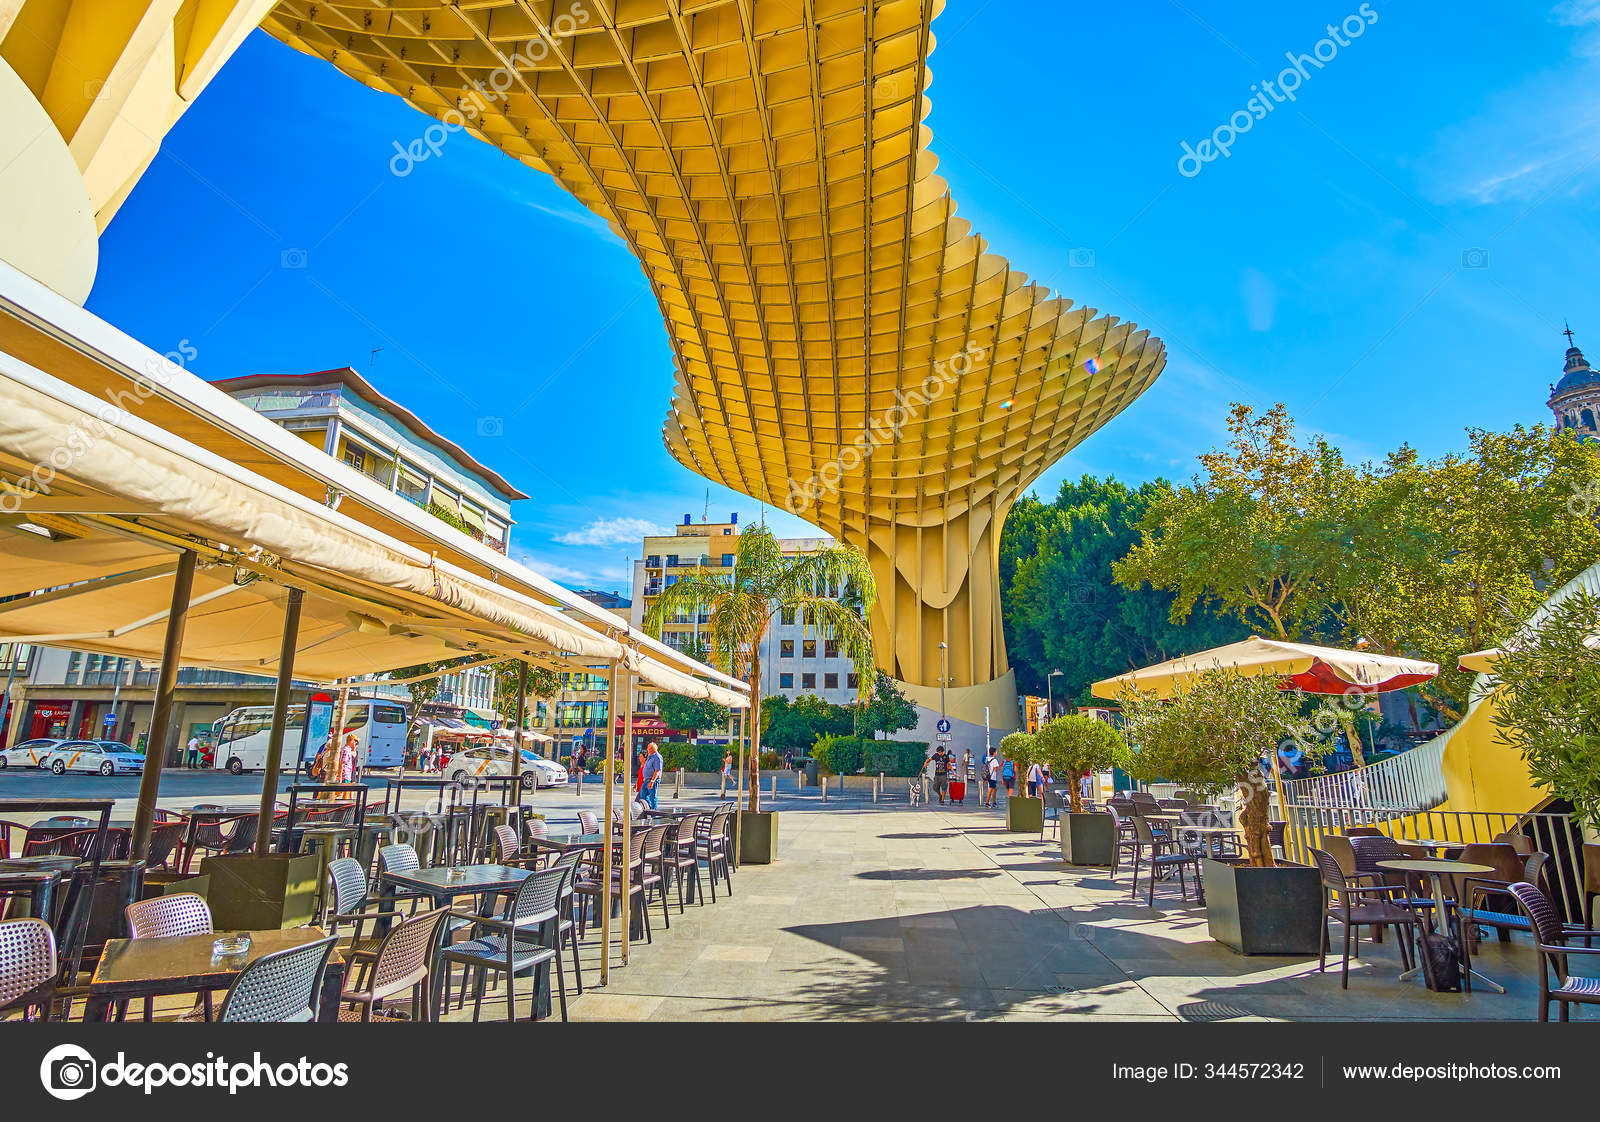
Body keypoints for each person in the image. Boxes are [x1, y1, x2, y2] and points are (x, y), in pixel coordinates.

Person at [638, 740, 663, 810]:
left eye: (649, 748)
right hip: (646, 779)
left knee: (652, 797)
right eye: (648, 748)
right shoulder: (650, 756)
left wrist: (652, 781)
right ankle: (648, 808)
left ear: (653, 749)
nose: (647, 750)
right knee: (643, 795)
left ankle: (653, 812)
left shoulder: (657, 757)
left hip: (652, 780)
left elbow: (657, 770)